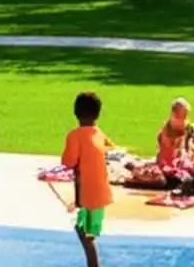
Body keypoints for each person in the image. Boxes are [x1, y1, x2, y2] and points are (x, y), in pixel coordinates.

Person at [62, 92, 113, 267]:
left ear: (76, 113)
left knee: (84, 232)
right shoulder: (99, 133)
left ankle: (94, 265)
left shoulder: (75, 135)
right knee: (89, 232)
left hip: (85, 193)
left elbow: (68, 161)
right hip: (101, 193)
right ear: (98, 114)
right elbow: (109, 148)